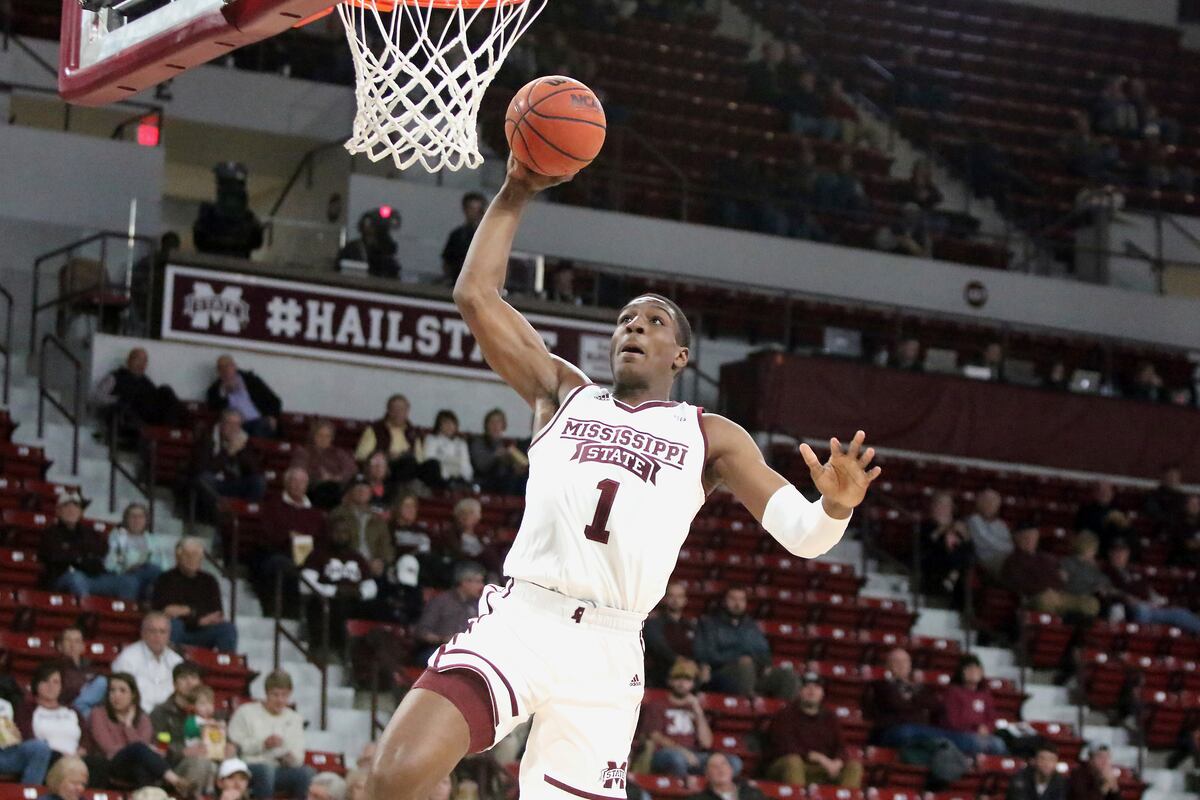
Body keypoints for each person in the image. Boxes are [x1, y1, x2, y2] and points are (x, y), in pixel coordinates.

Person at [368, 154, 879, 800]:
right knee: (393, 775)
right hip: (524, 620)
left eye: (653, 321)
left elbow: (804, 536)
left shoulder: (711, 435)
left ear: (680, 355)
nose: (634, 325)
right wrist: (516, 189)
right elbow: (474, 296)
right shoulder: (563, 394)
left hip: (607, 655)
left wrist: (834, 508)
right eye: (624, 320)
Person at [88, 673, 193, 796]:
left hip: (138, 766)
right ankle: (175, 780)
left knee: (141, 768)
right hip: (111, 764)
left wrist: (129, 726)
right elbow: (108, 748)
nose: (116, 695)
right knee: (138, 749)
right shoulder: (98, 714)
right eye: (112, 690)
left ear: (133, 695)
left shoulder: (143, 717)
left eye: (122, 691)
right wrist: (129, 730)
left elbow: (144, 748)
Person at [764, 671, 863, 788]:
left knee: (854, 766)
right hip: (787, 766)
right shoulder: (785, 715)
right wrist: (818, 758)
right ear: (799, 691)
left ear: (822, 693)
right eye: (807, 686)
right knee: (793, 761)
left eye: (816, 687)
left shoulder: (830, 717)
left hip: (822, 768)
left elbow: (841, 746)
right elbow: (785, 747)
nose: (811, 691)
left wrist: (837, 762)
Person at [228, 670, 314, 800]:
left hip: (280, 768)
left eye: (284, 695)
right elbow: (235, 745)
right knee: (266, 770)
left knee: (306, 773)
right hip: (249, 766)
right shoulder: (246, 712)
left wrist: (290, 759)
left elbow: (298, 757)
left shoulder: (295, 718)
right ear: (266, 693)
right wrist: (263, 744)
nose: (280, 700)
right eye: (275, 695)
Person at [694, 586, 793, 699]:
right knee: (745, 664)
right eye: (733, 599)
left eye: (741, 600)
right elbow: (706, 654)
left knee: (787, 676)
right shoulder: (709, 623)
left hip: (755, 672)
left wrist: (764, 664)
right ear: (724, 601)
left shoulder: (750, 625)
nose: (737, 603)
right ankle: (747, 708)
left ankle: (783, 712)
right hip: (721, 672)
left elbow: (764, 651)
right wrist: (739, 658)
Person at [300, 515, 380, 653]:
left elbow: (371, 586)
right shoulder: (318, 554)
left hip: (355, 600)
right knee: (333, 609)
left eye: (344, 532)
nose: (341, 536)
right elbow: (305, 584)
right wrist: (334, 591)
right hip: (327, 601)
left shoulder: (357, 557)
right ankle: (333, 651)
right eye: (337, 532)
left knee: (378, 609)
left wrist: (360, 592)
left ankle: (366, 654)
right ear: (329, 533)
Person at [635, 660, 727, 778]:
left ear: (692, 684)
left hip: (694, 754)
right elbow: (654, 736)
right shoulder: (658, 705)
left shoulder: (695, 707)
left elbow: (706, 743)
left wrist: (697, 711)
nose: (682, 683)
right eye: (678, 678)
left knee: (732, 762)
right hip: (663, 754)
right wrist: (683, 752)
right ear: (670, 681)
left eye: (687, 679)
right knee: (677, 759)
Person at [254, 466, 325, 615]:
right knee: (282, 564)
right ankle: (284, 613)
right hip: (278, 553)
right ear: (286, 483)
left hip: (308, 558)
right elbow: (265, 535)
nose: (298, 485)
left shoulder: (316, 514)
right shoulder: (272, 505)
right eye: (295, 481)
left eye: (302, 482)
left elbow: (322, 540)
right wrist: (288, 536)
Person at [39, 492, 138, 600]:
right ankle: (86, 614)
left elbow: (102, 550)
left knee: (128, 582)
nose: (71, 510)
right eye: (66, 506)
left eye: (76, 506)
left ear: (81, 512)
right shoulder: (50, 533)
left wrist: (89, 559)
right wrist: (80, 560)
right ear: (58, 511)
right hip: (64, 577)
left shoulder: (90, 532)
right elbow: (55, 557)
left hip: (92, 576)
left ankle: (122, 616)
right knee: (76, 579)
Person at [153, 537, 239, 653]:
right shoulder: (166, 579)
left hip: (203, 632)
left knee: (227, 629)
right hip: (178, 631)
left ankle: (226, 667)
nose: (192, 559)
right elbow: (166, 611)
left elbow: (216, 614)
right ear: (178, 557)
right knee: (173, 624)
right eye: (187, 555)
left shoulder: (210, 581)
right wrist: (198, 619)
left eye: (196, 555)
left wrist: (186, 611)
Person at [1000, 524, 1099, 620]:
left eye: (1033, 537)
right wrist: (1044, 590)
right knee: (1046, 600)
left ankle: (1074, 633)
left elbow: (1062, 576)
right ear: (1017, 539)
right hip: (1036, 597)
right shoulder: (1013, 561)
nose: (1030, 540)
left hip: (1060, 595)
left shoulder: (1047, 558)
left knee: (1091, 603)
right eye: (1026, 537)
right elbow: (1017, 584)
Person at [1105, 538, 1200, 634]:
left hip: (1149, 606)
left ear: (1128, 553)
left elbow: (1148, 589)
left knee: (1179, 613)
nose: (1119, 555)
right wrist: (1126, 597)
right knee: (1142, 609)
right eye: (1116, 552)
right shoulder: (1107, 571)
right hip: (1129, 609)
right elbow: (1107, 589)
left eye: (1122, 551)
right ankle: (1140, 642)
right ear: (1110, 553)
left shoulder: (1134, 570)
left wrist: (1156, 599)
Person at [150, 663, 218, 792]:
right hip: (172, 769)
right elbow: (158, 747)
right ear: (174, 685)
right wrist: (183, 751)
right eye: (183, 678)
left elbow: (226, 741)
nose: (189, 682)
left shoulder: (211, 712)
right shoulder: (161, 712)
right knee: (199, 762)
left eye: (193, 677)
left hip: (209, 760)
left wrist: (229, 747)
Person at [865, 648, 948, 748]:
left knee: (968, 740)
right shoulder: (881, 685)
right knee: (909, 733)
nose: (901, 664)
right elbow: (896, 704)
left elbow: (936, 705)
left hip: (922, 730)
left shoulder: (921, 687)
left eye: (905, 661)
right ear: (887, 666)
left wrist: (910, 699)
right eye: (896, 661)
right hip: (893, 731)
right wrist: (919, 704)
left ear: (910, 665)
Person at [92, 347, 182, 436]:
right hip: (129, 417)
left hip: (149, 415)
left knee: (166, 390)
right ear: (129, 361)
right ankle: (150, 433)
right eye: (138, 359)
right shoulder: (115, 377)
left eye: (144, 361)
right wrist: (118, 400)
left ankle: (171, 433)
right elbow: (97, 397)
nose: (141, 364)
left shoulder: (146, 381)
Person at [192, 409, 267, 510]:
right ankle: (218, 513)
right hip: (214, 484)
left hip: (234, 483)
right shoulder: (207, 437)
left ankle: (246, 516)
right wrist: (228, 452)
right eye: (229, 424)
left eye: (237, 425)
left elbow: (255, 470)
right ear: (221, 424)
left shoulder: (244, 439)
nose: (233, 428)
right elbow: (202, 469)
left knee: (259, 481)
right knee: (204, 478)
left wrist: (241, 450)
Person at [413, 562, 486, 664]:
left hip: (466, 653)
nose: (482, 586)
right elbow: (421, 631)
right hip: (437, 650)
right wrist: (443, 639)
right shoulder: (441, 601)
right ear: (464, 582)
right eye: (478, 582)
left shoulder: (478, 605)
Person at [112, 612, 185, 713]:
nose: (158, 636)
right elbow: (121, 696)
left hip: (169, 719)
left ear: (169, 635)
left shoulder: (176, 661)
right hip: (137, 718)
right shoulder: (127, 658)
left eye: (162, 632)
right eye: (152, 631)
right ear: (143, 633)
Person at [193, 162, 265, 260]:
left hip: (236, 267)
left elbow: (256, 241)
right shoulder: (208, 215)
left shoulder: (249, 220)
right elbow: (200, 240)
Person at [939, 655, 1007, 755]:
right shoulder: (953, 692)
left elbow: (992, 718)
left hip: (982, 736)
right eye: (969, 668)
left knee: (1000, 743)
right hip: (958, 735)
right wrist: (975, 729)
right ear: (961, 672)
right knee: (987, 743)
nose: (974, 671)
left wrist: (987, 728)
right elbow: (953, 722)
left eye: (976, 668)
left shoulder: (985, 695)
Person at [330, 475, 393, 580]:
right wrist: (361, 563)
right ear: (349, 492)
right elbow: (337, 543)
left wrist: (381, 561)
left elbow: (386, 546)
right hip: (347, 565)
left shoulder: (378, 519)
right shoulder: (338, 514)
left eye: (365, 488)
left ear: (370, 492)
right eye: (357, 488)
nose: (361, 491)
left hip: (374, 567)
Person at [15, 663, 85, 758]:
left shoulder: (72, 711)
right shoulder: (26, 710)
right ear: (36, 684)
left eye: (55, 682)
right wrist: (59, 756)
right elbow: (27, 740)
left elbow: (86, 739)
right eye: (45, 681)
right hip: (45, 760)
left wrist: (81, 751)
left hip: (76, 759)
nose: (51, 686)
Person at [206, 355, 282, 439]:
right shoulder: (214, 390)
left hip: (258, 421)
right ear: (218, 371)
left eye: (229, 366)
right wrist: (224, 392)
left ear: (235, 366)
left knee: (260, 427)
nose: (226, 370)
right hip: (236, 425)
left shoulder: (251, 380)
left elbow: (275, 400)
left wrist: (272, 416)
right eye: (222, 368)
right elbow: (214, 409)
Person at [105, 502, 169, 601]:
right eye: (133, 516)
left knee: (157, 574)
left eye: (140, 517)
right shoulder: (118, 537)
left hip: (150, 575)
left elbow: (163, 566)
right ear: (126, 519)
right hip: (125, 575)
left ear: (146, 520)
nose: (137, 520)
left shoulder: (153, 540)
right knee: (131, 581)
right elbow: (110, 564)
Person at [290, 420, 358, 510]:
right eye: (320, 435)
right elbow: (298, 470)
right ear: (313, 436)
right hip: (312, 489)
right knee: (326, 488)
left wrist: (335, 478)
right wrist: (319, 477)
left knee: (332, 488)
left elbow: (351, 469)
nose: (323, 439)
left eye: (327, 436)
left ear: (332, 438)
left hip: (336, 490)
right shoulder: (303, 452)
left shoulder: (339, 453)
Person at [643, 582, 699, 688]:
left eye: (679, 596)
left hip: (689, 669)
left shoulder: (690, 625)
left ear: (685, 600)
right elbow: (658, 646)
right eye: (671, 596)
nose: (675, 600)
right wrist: (677, 659)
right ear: (664, 598)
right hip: (661, 669)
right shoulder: (654, 623)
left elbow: (698, 648)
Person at [921, 491, 972, 600]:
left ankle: (953, 577)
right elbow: (925, 545)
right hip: (934, 567)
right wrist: (942, 530)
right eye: (940, 504)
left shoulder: (959, 527)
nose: (944, 508)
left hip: (957, 571)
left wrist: (966, 536)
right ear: (933, 506)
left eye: (947, 505)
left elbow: (969, 551)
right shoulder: (926, 525)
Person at [468, 408, 529, 495]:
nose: (495, 426)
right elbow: (481, 465)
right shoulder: (478, 442)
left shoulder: (507, 444)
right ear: (486, 425)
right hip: (486, 480)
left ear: (503, 426)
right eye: (492, 422)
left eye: (498, 422)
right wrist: (496, 455)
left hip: (505, 481)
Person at [52, 626, 108, 717]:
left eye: (77, 641)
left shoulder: (92, 668)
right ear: (60, 646)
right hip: (67, 710)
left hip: (90, 711)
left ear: (83, 646)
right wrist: (83, 689)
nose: (72, 645)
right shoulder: (54, 668)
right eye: (68, 641)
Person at [0, 691, 52, 785]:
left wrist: (12, 735)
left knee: (40, 747)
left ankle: (29, 793)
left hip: (5, 753)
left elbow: (8, 737)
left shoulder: (4, 705)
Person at [338, 209, 401, 279]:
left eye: (372, 225)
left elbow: (391, 273)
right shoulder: (351, 248)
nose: (369, 228)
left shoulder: (384, 252)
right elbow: (339, 268)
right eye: (368, 224)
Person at [422, 410, 474, 490]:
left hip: (458, 478)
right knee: (432, 465)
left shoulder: (461, 443)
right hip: (439, 477)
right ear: (439, 426)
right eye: (445, 423)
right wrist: (447, 475)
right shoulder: (432, 439)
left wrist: (467, 478)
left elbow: (465, 463)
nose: (449, 426)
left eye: (452, 423)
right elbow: (429, 459)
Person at [441, 192, 486, 284]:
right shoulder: (457, 235)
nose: (475, 213)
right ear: (465, 210)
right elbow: (447, 260)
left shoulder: (488, 236)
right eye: (471, 209)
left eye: (478, 210)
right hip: (457, 282)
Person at [967, 489, 1012, 576]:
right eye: (987, 502)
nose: (991, 505)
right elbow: (984, 541)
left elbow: (1010, 545)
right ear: (979, 503)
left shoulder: (1000, 524)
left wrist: (1005, 547)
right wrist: (1005, 547)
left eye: (994, 503)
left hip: (1005, 558)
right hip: (985, 561)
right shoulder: (974, 520)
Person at [685, 753, 765, 800]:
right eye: (714, 766)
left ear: (731, 770)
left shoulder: (752, 793)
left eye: (724, 764)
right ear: (707, 775)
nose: (721, 769)